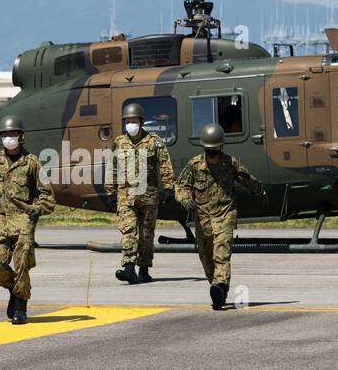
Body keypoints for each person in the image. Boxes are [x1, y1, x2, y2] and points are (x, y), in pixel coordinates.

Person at [175, 122, 263, 311]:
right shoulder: (194, 165)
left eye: (215, 150)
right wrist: (185, 200)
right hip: (203, 217)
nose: (212, 154)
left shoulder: (231, 163)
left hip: (225, 214)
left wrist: (259, 191)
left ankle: (220, 285)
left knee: (221, 253)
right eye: (209, 150)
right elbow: (181, 186)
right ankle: (218, 289)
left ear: (222, 147)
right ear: (204, 149)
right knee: (206, 257)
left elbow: (246, 179)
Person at [0, 115, 54, 324]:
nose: (8, 137)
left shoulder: (32, 163)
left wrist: (37, 209)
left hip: (23, 219)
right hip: (1, 219)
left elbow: (46, 194)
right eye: (5, 134)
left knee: (22, 264)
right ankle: (14, 289)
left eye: (12, 134)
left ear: (21, 136)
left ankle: (21, 307)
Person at [109, 102, 174, 283]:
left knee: (146, 234)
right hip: (126, 195)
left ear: (141, 121)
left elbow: (165, 164)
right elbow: (112, 168)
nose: (131, 124)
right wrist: (109, 192)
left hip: (148, 195)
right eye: (128, 121)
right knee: (129, 230)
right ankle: (129, 267)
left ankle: (144, 270)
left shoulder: (154, 141)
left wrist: (169, 187)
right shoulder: (119, 142)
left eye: (134, 120)